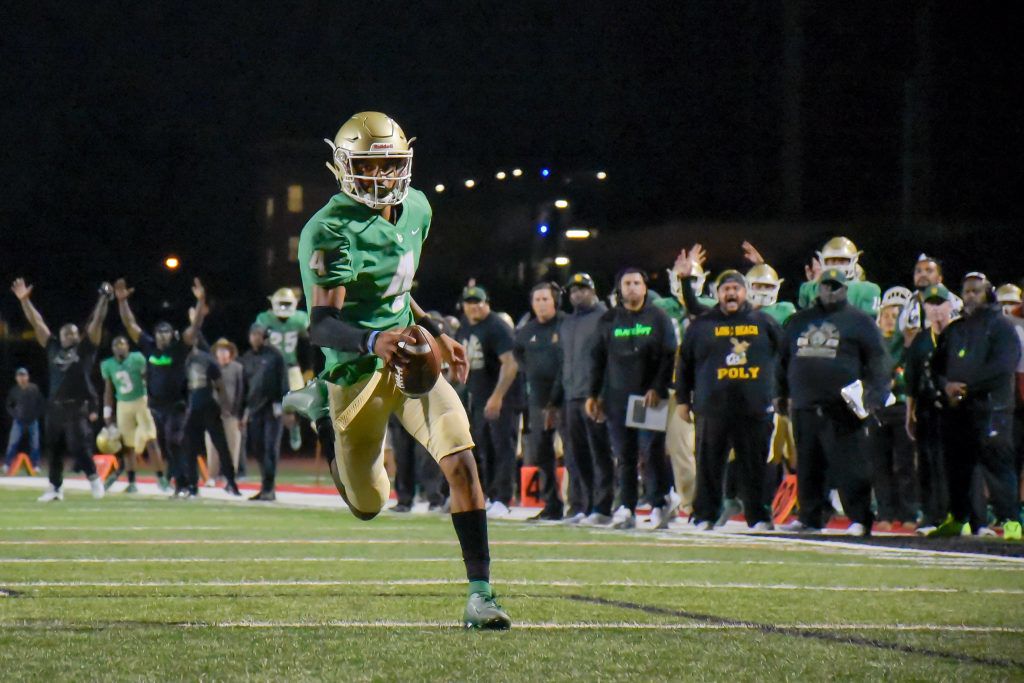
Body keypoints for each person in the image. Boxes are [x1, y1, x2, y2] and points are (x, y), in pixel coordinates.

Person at [294, 111, 510, 628]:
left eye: (391, 165)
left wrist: (434, 330)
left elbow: (400, 288)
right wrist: (373, 339)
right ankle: (322, 411)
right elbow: (320, 326)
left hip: (411, 356)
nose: (383, 177)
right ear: (343, 167)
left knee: (462, 463)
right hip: (356, 373)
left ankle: (480, 594)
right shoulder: (329, 229)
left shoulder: (416, 207)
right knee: (370, 503)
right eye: (371, 166)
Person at [778, 267, 889, 536]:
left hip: (842, 408)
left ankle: (860, 518)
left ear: (845, 289)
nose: (830, 290)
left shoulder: (860, 321)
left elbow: (878, 359)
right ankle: (811, 517)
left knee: (850, 467)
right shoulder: (797, 321)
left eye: (836, 286)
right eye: (826, 285)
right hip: (805, 405)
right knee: (808, 466)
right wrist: (779, 392)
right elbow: (782, 359)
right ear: (818, 287)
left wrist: (875, 394)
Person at [676, 271, 783, 530]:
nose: (731, 293)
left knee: (754, 466)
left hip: (755, 408)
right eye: (726, 289)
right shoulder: (701, 325)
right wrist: (682, 399)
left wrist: (782, 394)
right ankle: (705, 515)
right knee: (708, 465)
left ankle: (758, 517)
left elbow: (785, 358)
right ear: (718, 293)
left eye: (736, 288)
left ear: (745, 292)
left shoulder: (765, 322)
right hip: (712, 409)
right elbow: (684, 364)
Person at [928, 273, 1021, 540]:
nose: (970, 296)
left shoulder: (1002, 327)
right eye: (966, 291)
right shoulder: (955, 330)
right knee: (956, 467)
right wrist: (946, 386)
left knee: (998, 468)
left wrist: (966, 387)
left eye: (976, 291)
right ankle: (958, 518)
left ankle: (1011, 521)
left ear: (988, 293)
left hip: (992, 409)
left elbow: (1003, 368)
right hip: (957, 411)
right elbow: (936, 367)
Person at [587, 268, 678, 530]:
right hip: (617, 397)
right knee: (624, 455)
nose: (632, 287)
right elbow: (598, 360)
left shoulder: (658, 317)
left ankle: (660, 502)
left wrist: (658, 388)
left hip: (646, 397)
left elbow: (668, 355)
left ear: (645, 287)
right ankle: (627, 506)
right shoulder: (609, 319)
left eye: (637, 282)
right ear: (619, 288)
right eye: (627, 283)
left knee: (651, 452)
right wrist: (594, 394)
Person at [11, 278, 108, 501]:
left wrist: (104, 299)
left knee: (78, 446)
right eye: (67, 334)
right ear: (61, 336)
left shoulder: (85, 349)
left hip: (77, 406)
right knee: (53, 449)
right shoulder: (53, 346)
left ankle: (94, 478)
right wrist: (25, 301)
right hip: (55, 407)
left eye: (74, 333)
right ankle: (55, 488)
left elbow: (97, 322)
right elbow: (37, 323)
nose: (71, 336)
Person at [114, 277, 206, 494]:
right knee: (167, 447)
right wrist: (122, 302)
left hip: (177, 404)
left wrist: (201, 301)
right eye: (159, 332)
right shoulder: (150, 347)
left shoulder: (179, 347)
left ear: (172, 334)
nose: (161, 335)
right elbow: (130, 324)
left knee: (176, 441)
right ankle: (181, 483)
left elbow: (195, 326)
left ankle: (185, 483)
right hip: (156, 406)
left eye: (166, 332)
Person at [551, 273, 614, 525]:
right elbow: (563, 364)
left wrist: (602, 394)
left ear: (593, 290)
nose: (578, 293)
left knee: (600, 453)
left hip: (594, 396)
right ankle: (582, 506)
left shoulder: (605, 317)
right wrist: (555, 400)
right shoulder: (566, 323)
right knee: (576, 455)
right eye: (574, 290)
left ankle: (602, 506)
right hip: (571, 397)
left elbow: (609, 361)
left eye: (582, 289)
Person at [457, 285, 520, 519]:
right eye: (469, 302)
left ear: (487, 303)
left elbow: (510, 363)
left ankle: (503, 498)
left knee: (502, 447)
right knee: (484, 448)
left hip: (502, 399)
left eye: (478, 302)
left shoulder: (497, 327)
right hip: (479, 397)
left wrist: (497, 396)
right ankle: (490, 495)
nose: (474, 306)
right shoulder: (465, 326)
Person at [904, 284, 955, 534]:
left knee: (951, 463)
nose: (936, 309)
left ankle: (954, 513)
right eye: (931, 304)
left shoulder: (958, 334)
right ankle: (930, 514)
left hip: (953, 411)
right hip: (925, 409)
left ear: (949, 306)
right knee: (926, 463)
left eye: (940, 304)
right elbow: (911, 380)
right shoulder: (921, 340)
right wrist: (909, 414)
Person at [514, 282, 565, 521]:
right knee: (543, 455)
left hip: (565, 398)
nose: (542, 304)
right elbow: (518, 356)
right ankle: (552, 505)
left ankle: (584, 503)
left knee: (574, 453)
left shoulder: (566, 324)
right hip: (538, 401)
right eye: (537, 300)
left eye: (546, 299)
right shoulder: (526, 331)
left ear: (555, 300)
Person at [870, 287, 918, 530]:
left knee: (905, 462)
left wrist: (891, 379)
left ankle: (909, 512)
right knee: (880, 464)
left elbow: (909, 375)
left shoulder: (909, 343)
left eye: (895, 315)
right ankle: (885, 513)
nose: (890, 319)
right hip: (877, 408)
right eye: (886, 314)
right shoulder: (871, 343)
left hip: (901, 408)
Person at [100, 335, 165, 492]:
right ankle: (132, 482)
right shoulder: (108, 364)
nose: (119, 347)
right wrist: (107, 413)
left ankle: (161, 478)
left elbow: (148, 378)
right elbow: (108, 390)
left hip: (140, 401)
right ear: (112, 348)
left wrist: (153, 399)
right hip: (123, 404)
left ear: (128, 346)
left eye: (122, 344)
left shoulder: (137, 358)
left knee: (151, 440)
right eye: (116, 345)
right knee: (127, 445)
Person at [255, 287, 309, 451]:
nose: (284, 308)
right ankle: (264, 433)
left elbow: (310, 341)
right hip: (271, 368)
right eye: (282, 304)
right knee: (265, 402)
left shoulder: (300, 319)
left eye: (288, 304)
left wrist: (309, 366)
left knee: (300, 401)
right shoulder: (264, 319)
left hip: (291, 366)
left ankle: (295, 427)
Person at [240, 323, 288, 501]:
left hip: (272, 409)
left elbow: (283, 381)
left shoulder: (275, 356)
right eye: (252, 334)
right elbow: (244, 387)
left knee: (270, 448)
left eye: (258, 334)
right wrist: (243, 412)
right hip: (254, 410)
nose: (254, 337)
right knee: (258, 449)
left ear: (265, 336)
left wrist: (284, 406)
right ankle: (265, 486)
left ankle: (269, 488)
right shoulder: (246, 358)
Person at [797, 237, 881, 317]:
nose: (836, 266)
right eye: (832, 261)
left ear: (854, 261)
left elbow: (868, 324)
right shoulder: (809, 288)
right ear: (822, 261)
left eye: (842, 260)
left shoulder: (867, 289)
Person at [898, 255, 963, 345]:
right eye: (918, 271)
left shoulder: (954, 303)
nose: (923, 274)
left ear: (939, 278)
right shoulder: (907, 303)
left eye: (929, 271)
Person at [206, 338, 244, 487]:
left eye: (225, 350)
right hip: (213, 413)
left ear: (230, 352)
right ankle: (212, 476)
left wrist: (237, 411)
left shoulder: (237, 368)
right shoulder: (210, 368)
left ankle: (230, 477)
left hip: (231, 414)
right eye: (220, 350)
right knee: (212, 446)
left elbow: (241, 391)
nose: (222, 353)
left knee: (232, 446)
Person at [4, 368, 45, 474]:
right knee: (12, 443)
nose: (22, 378)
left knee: (35, 444)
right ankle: (7, 464)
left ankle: (35, 465)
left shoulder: (34, 388)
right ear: (16, 378)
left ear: (28, 377)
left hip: (32, 420)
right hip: (18, 421)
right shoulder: (14, 390)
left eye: (24, 376)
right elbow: (9, 405)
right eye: (20, 376)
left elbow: (41, 402)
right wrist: (14, 415)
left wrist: (36, 414)